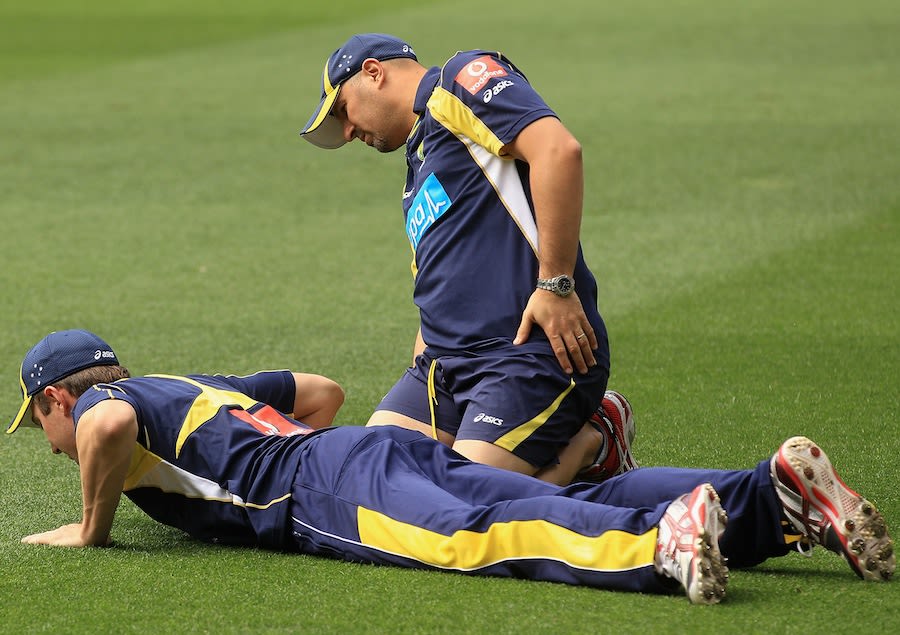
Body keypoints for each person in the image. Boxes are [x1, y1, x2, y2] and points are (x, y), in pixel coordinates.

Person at [6, 330, 894, 605]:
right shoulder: (183, 381)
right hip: (358, 448)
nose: (52, 435)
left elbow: (107, 423)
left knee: (483, 536)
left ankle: (658, 542)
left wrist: (90, 528)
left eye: (37, 416)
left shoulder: (102, 405)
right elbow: (319, 388)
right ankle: (771, 494)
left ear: (54, 398)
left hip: (322, 488)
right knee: (537, 493)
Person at [300, 33, 635, 485]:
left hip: (522, 357)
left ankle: (595, 438)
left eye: (342, 110)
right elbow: (446, 274)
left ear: (373, 73)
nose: (346, 132)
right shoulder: (418, 166)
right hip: (444, 369)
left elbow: (558, 151)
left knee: (460, 502)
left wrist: (556, 283)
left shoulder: (461, 81)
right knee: (371, 479)